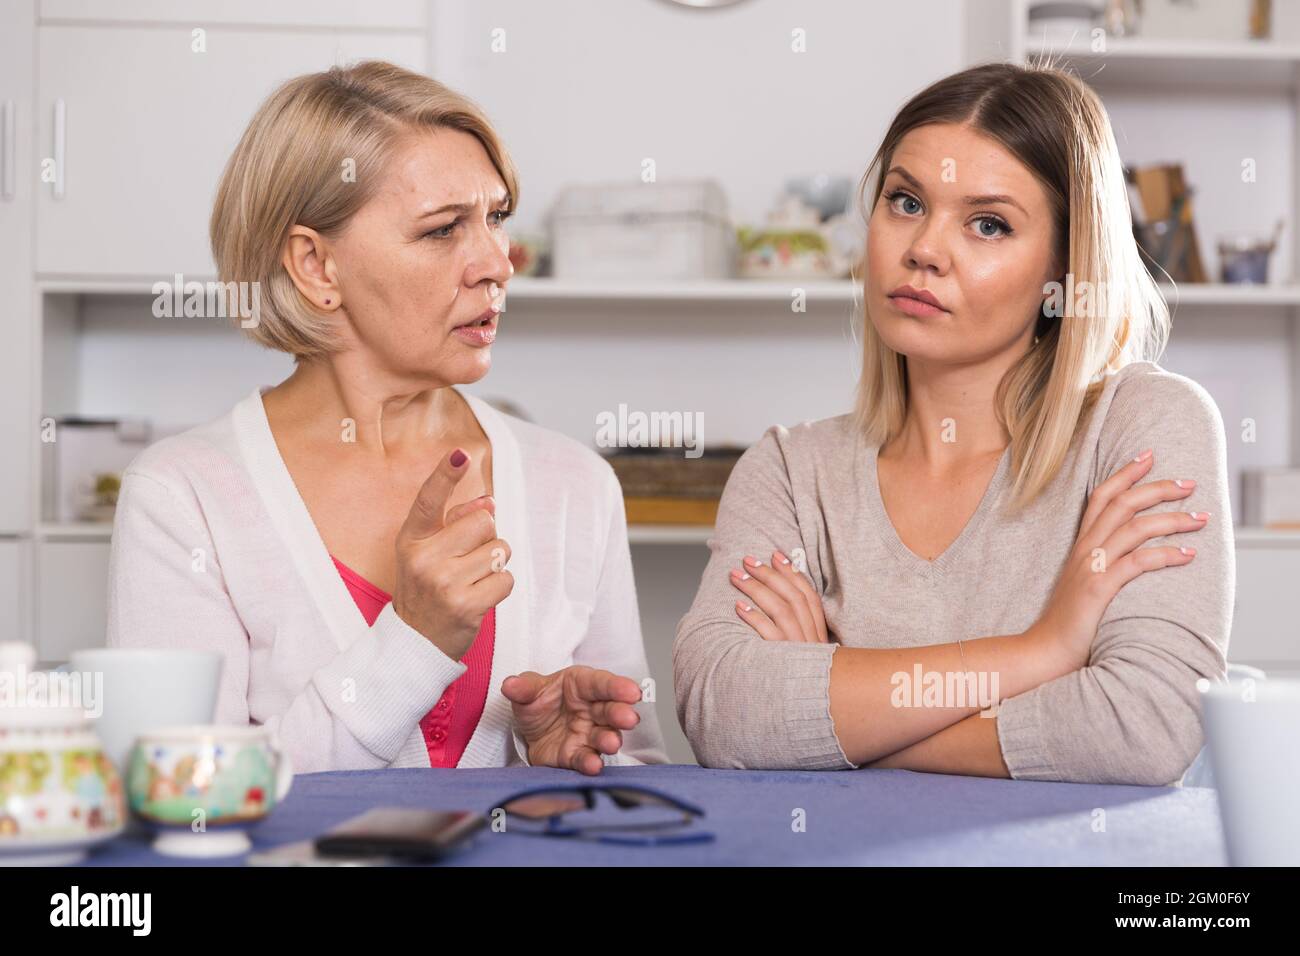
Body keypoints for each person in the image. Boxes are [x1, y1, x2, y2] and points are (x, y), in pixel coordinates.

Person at [674, 62, 1233, 786]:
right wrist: (1044, 650)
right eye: (906, 202)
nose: (924, 250)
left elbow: (1143, 727)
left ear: (1064, 270)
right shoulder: (790, 470)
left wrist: (837, 710)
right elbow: (723, 712)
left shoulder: (1143, 427)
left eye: (988, 224)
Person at [107, 60, 666, 775]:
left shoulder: (576, 484)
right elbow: (183, 792)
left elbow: (643, 780)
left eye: (495, 219)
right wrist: (412, 641)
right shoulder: (183, 497)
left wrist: (566, 753)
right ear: (315, 266)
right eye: (442, 231)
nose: (498, 263)